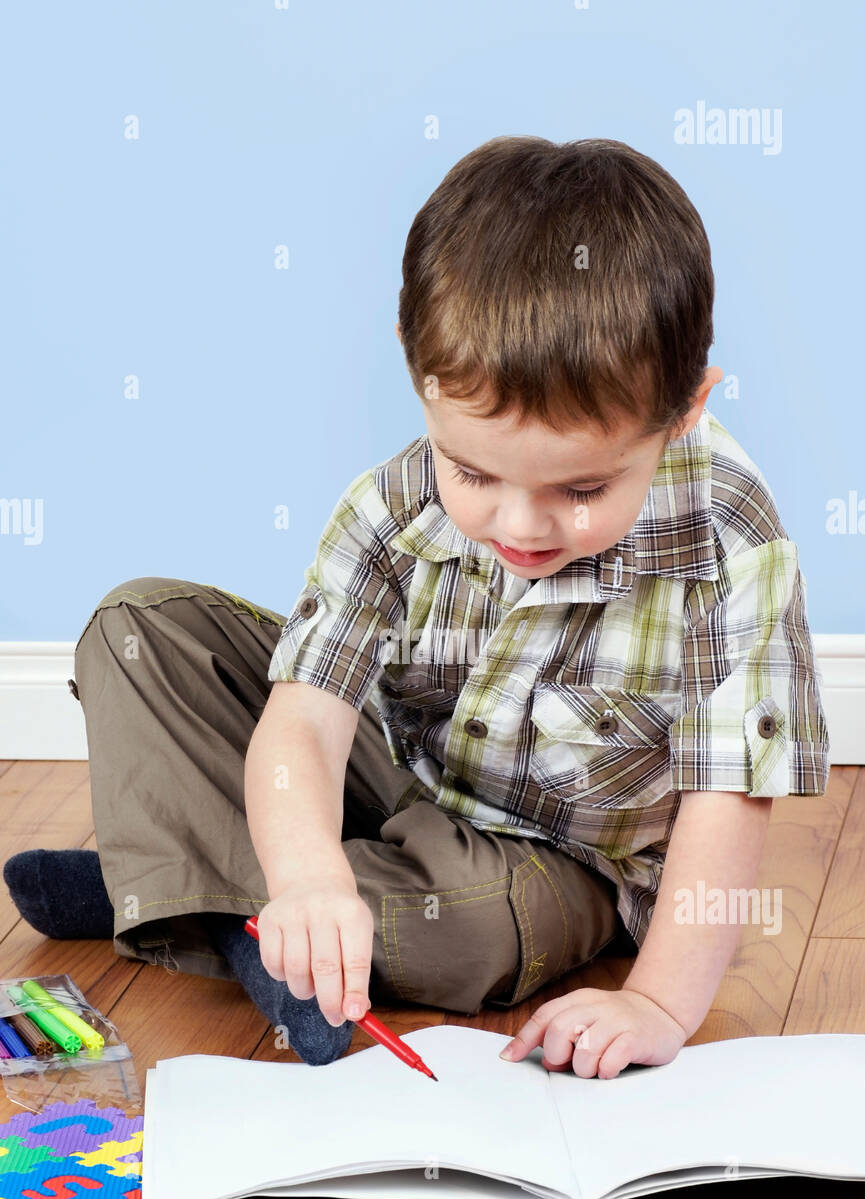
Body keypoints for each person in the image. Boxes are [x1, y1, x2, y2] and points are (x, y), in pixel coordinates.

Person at [3, 136, 830, 1079]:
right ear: (420, 373)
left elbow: (731, 799)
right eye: (473, 471)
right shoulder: (393, 504)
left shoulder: (731, 537)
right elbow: (306, 723)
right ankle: (258, 902)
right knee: (138, 629)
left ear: (683, 411)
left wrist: (655, 1002)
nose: (518, 524)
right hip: (395, 785)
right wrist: (311, 871)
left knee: (477, 931)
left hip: (550, 869)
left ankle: (173, 888)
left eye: (583, 490)